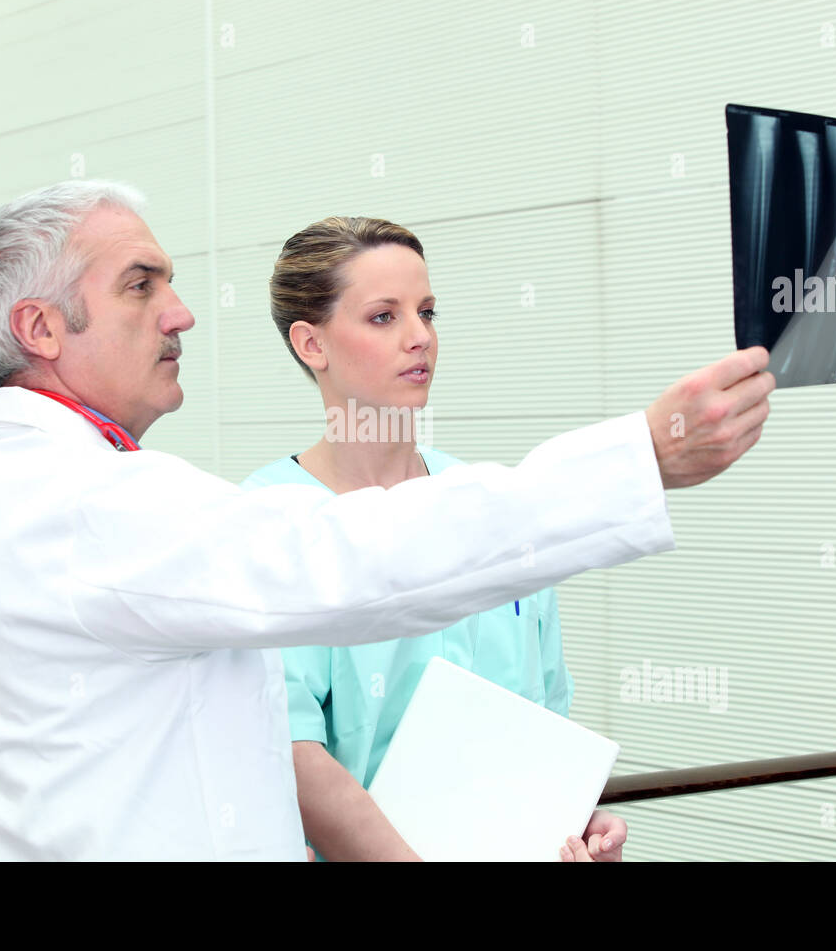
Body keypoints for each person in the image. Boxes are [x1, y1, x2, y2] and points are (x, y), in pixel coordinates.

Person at [0, 179, 773, 860]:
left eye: (427, 311)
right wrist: (639, 457)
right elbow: (356, 558)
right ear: (41, 327)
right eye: (140, 286)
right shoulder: (90, 506)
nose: (181, 313)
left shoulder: (46, 489)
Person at [242, 216, 629, 862]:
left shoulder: (491, 506)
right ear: (312, 344)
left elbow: (545, 717)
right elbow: (291, 752)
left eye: (427, 312)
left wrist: (576, 821)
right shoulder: (267, 524)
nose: (420, 338)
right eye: (384, 317)